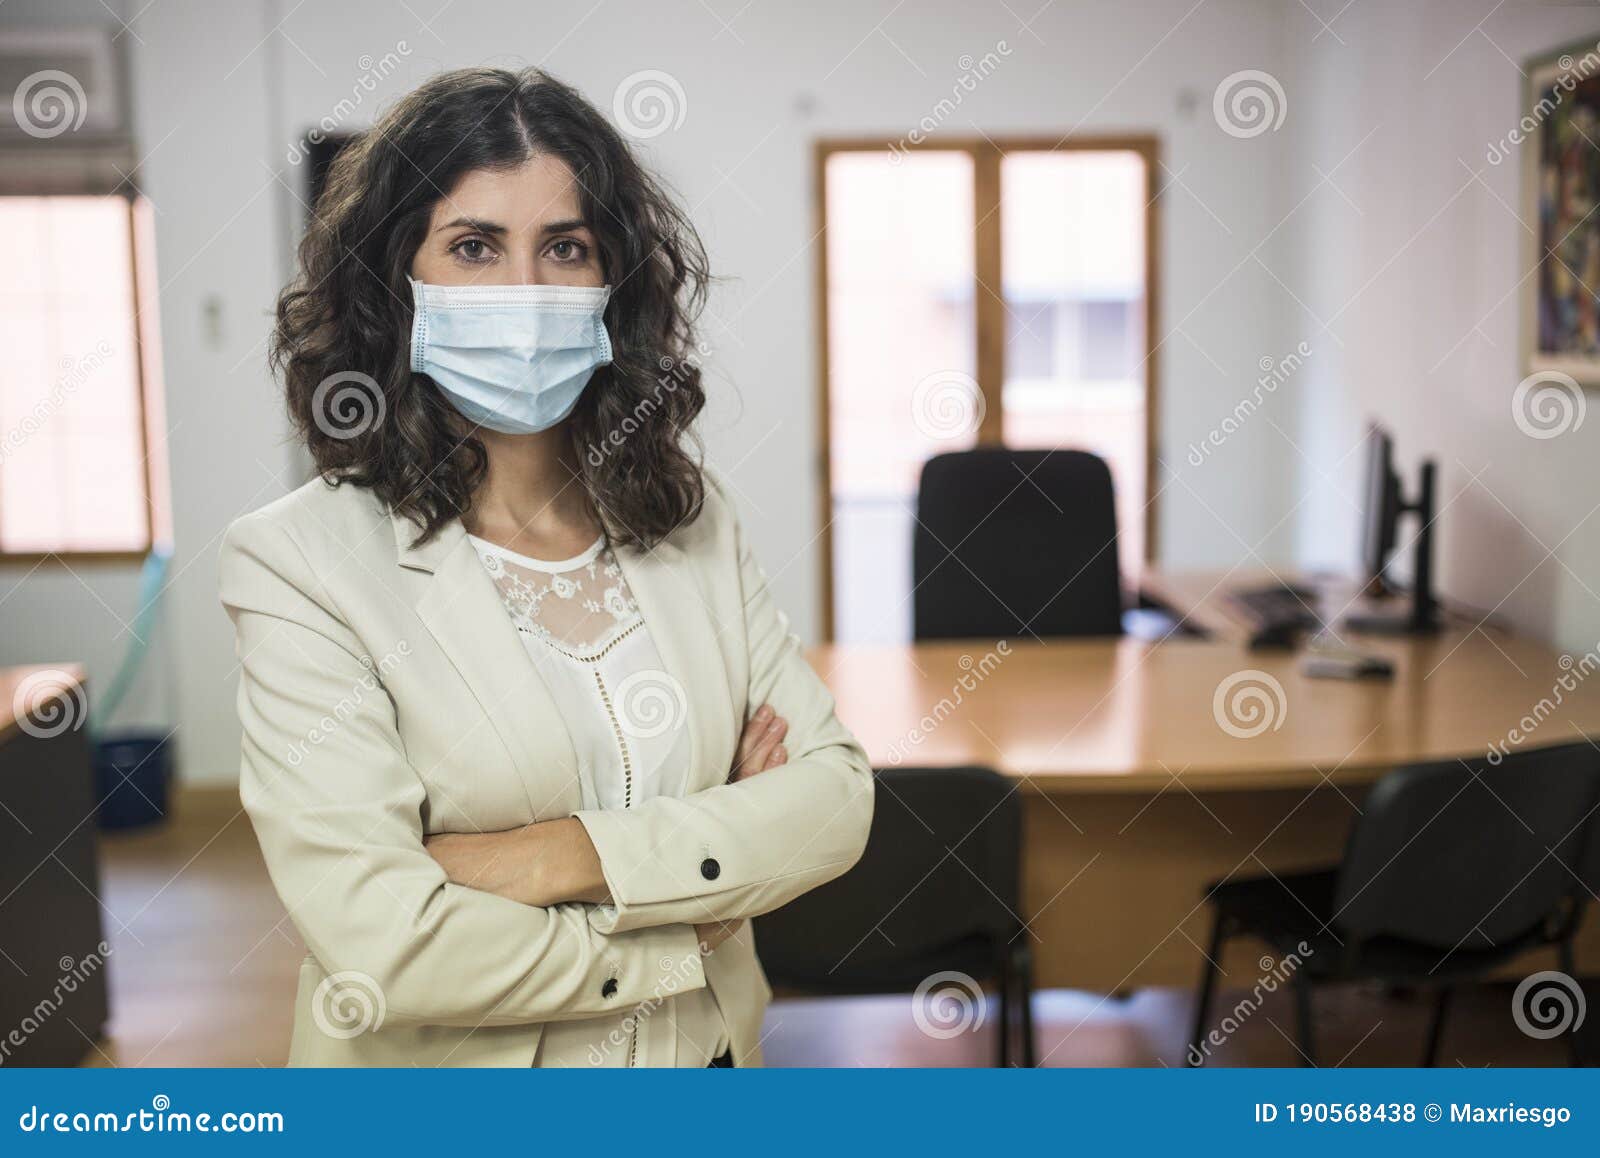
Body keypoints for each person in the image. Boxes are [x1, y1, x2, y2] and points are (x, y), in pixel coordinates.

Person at [218, 66, 873, 1067]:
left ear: (614, 285)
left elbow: (832, 803)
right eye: (474, 247)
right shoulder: (299, 564)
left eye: (564, 247)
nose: (525, 290)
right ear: (394, 282)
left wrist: (552, 856)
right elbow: (385, 945)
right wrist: (686, 915)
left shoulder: (694, 520)